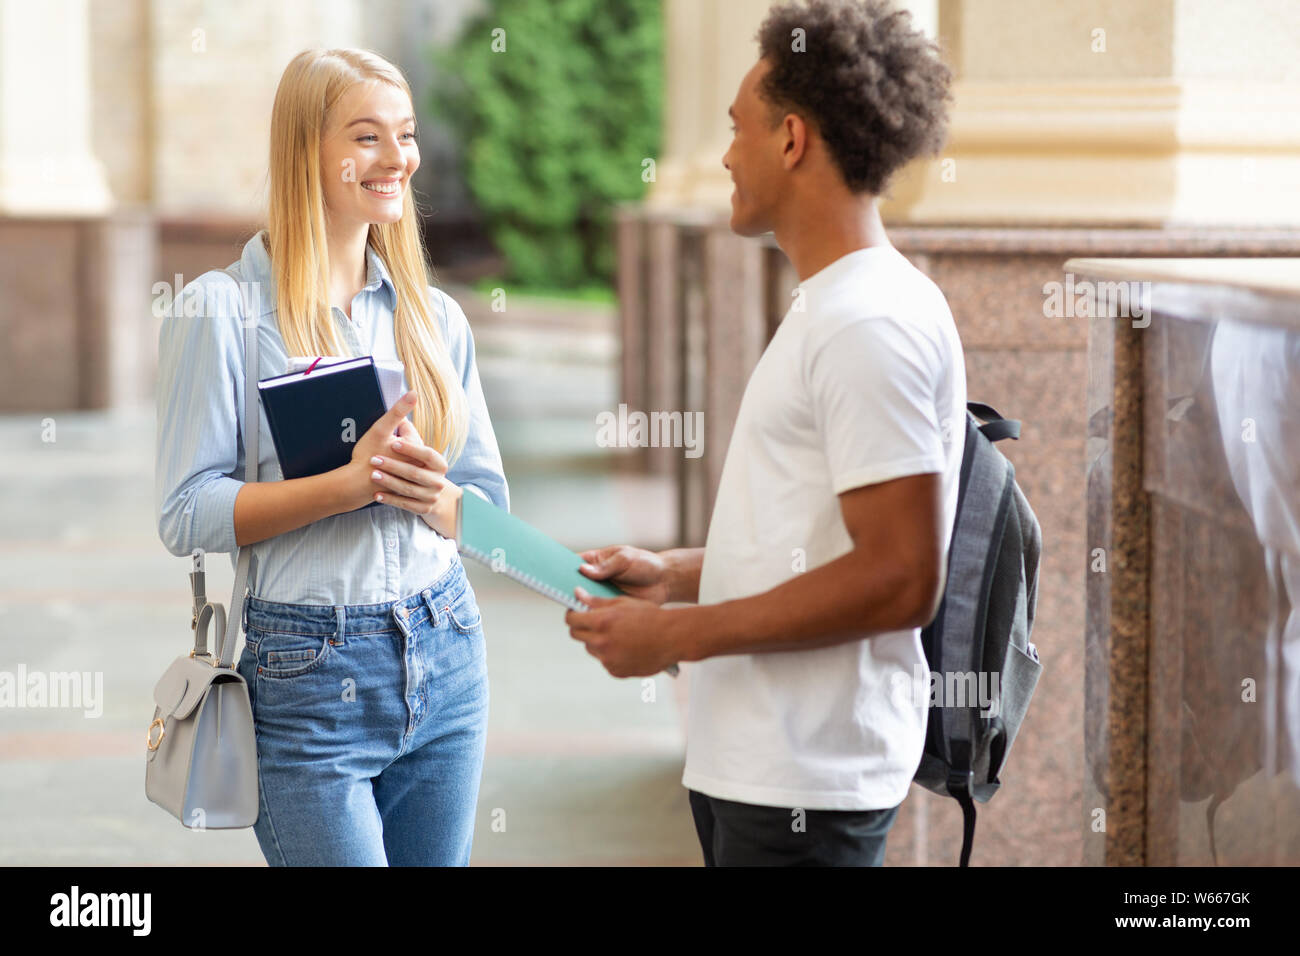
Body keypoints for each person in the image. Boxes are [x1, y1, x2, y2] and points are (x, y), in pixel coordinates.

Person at [566, 0, 963, 866]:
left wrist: (677, 637)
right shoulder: (836, 305)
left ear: (790, 140)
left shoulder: (868, 322)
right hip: (763, 770)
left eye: (737, 129)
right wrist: (673, 577)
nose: (724, 156)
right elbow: (817, 546)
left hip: (805, 786)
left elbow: (899, 578)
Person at [154, 48, 508, 866]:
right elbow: (185, 513)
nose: (399, 160)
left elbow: (490, 514)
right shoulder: (225, 314)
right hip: (304, 677)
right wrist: (344, 487)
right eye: (367, 137)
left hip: (446, 650)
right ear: (304, 149)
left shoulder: (435, 317)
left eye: (407, 135)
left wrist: (432, 496)